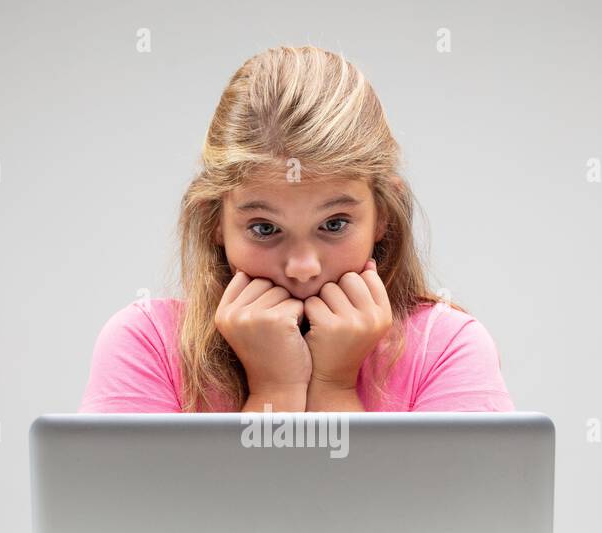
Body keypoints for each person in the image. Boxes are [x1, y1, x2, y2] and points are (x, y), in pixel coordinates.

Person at [79, 45, 516, 415]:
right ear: (215, 221)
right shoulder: (147, 345)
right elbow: (143, 518)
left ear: (383, 214)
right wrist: (274, 392)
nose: (303, 267)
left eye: (335, 224)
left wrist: (334, 387)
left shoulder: (445, 349)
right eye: (265, 228)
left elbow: (436, 519)